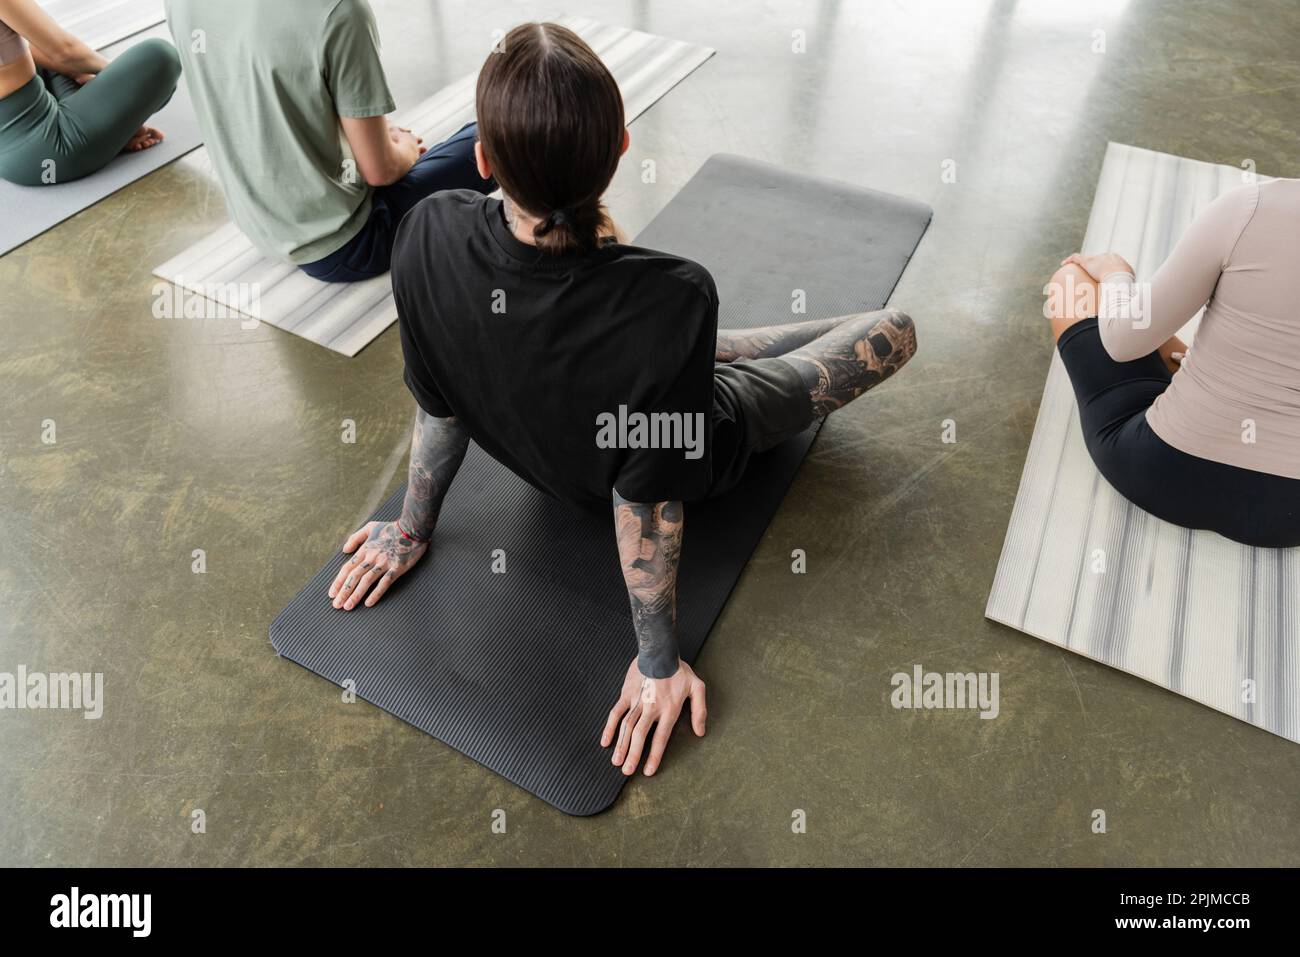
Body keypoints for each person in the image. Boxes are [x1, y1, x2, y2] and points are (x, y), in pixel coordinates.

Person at [324, 22, 919, 776]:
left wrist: (410, 528)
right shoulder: (670, 297)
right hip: (704, 432)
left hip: (603, 411)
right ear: (619, 153)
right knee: (893, 328)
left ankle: (697, 359)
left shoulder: (422, 232)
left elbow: (438, 405)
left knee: (688, 344)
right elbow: (650, 503)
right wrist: (657, 661)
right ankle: (704, 361)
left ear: (481, 162)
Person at [1046, 176, 1300, 548]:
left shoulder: (1251, 207)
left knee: (1074, 281)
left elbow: (1122, 342)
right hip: (1288, 519)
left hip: (1163, 473)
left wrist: (1118, 275)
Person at [166, 0, 493, 281]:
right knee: (496, 134)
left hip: (256, 224)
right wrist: (404, 149)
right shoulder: (338, 11)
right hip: (346, 246)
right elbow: (381, 171)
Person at [0, 0, 179, 186]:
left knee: (43, 45)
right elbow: (65, 51)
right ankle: (112, 127)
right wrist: (113, 74)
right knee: (160, 56)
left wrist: (79, 72)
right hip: (46, 150)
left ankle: (108, 124)